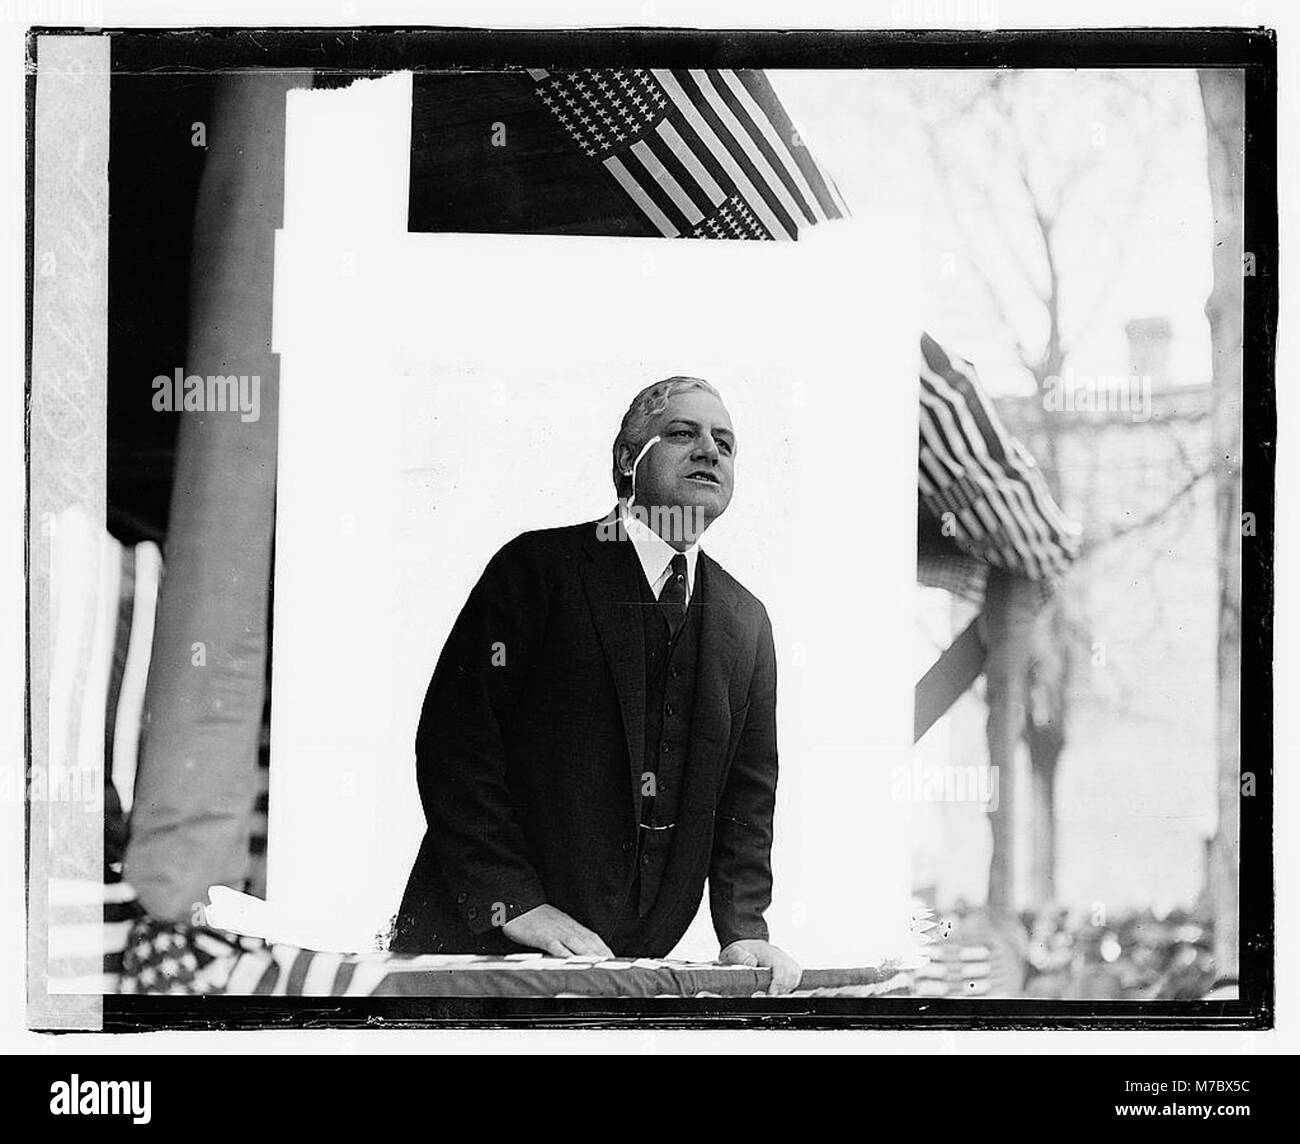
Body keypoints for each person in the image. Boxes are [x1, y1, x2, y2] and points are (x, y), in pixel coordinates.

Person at [390, 376, 800, 992]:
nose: (710, 450)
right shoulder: (535, 571)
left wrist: (744, 928)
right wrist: (513, 902)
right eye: (683, 433)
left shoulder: (748, 623)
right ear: (625, 461)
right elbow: (457, 744)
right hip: (474, 956)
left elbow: (748, 797)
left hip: (627, 974)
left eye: (726, 442)